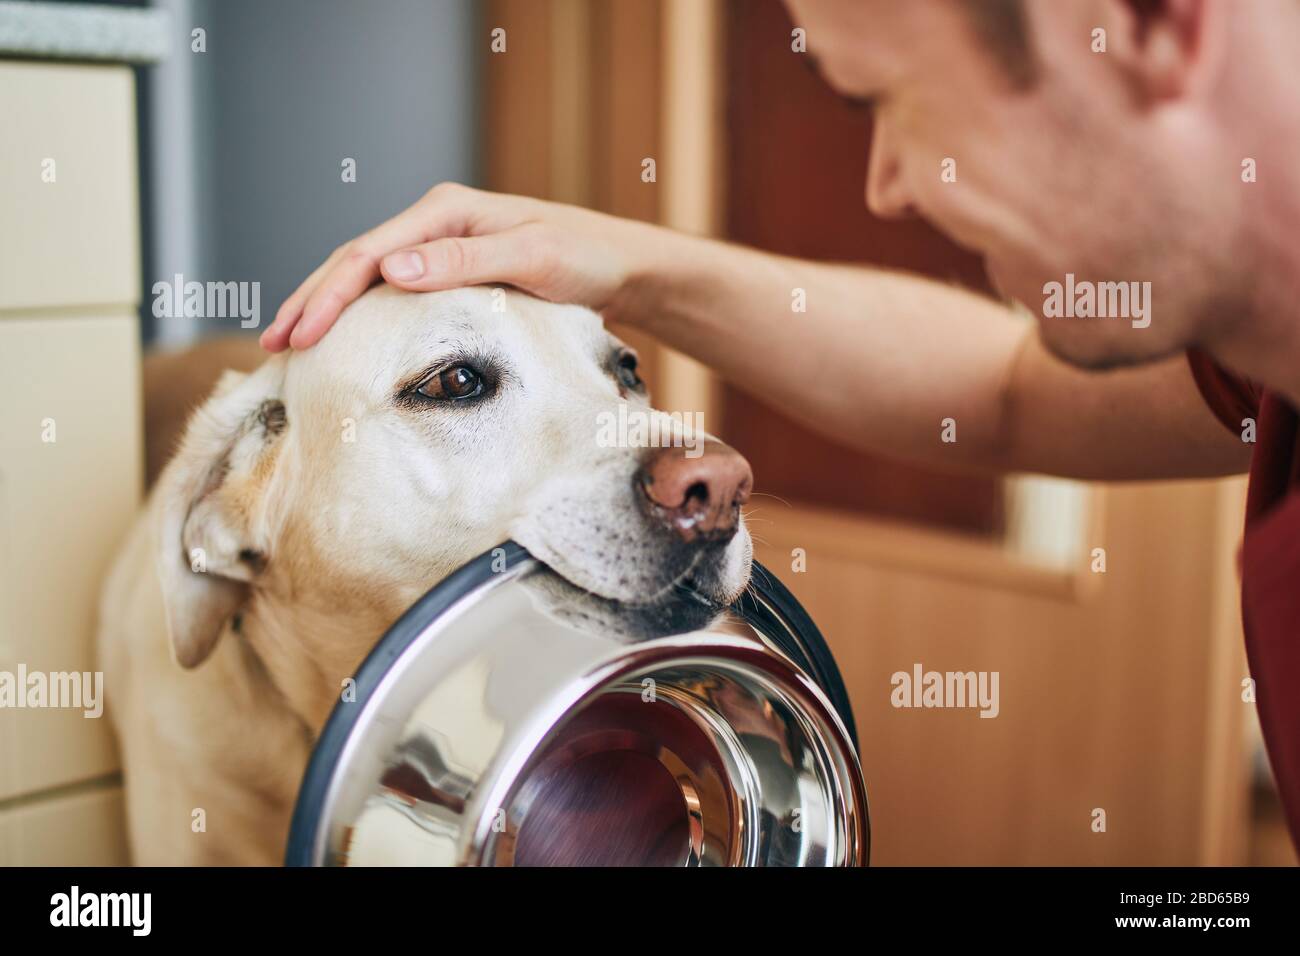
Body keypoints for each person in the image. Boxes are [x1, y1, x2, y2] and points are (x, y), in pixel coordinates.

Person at [262, 0, 1300, 851]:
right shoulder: (1263, 366)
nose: (888, 185)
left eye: (886, 98)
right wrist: (629, 266)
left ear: (1151, 25)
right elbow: (1004, 391)